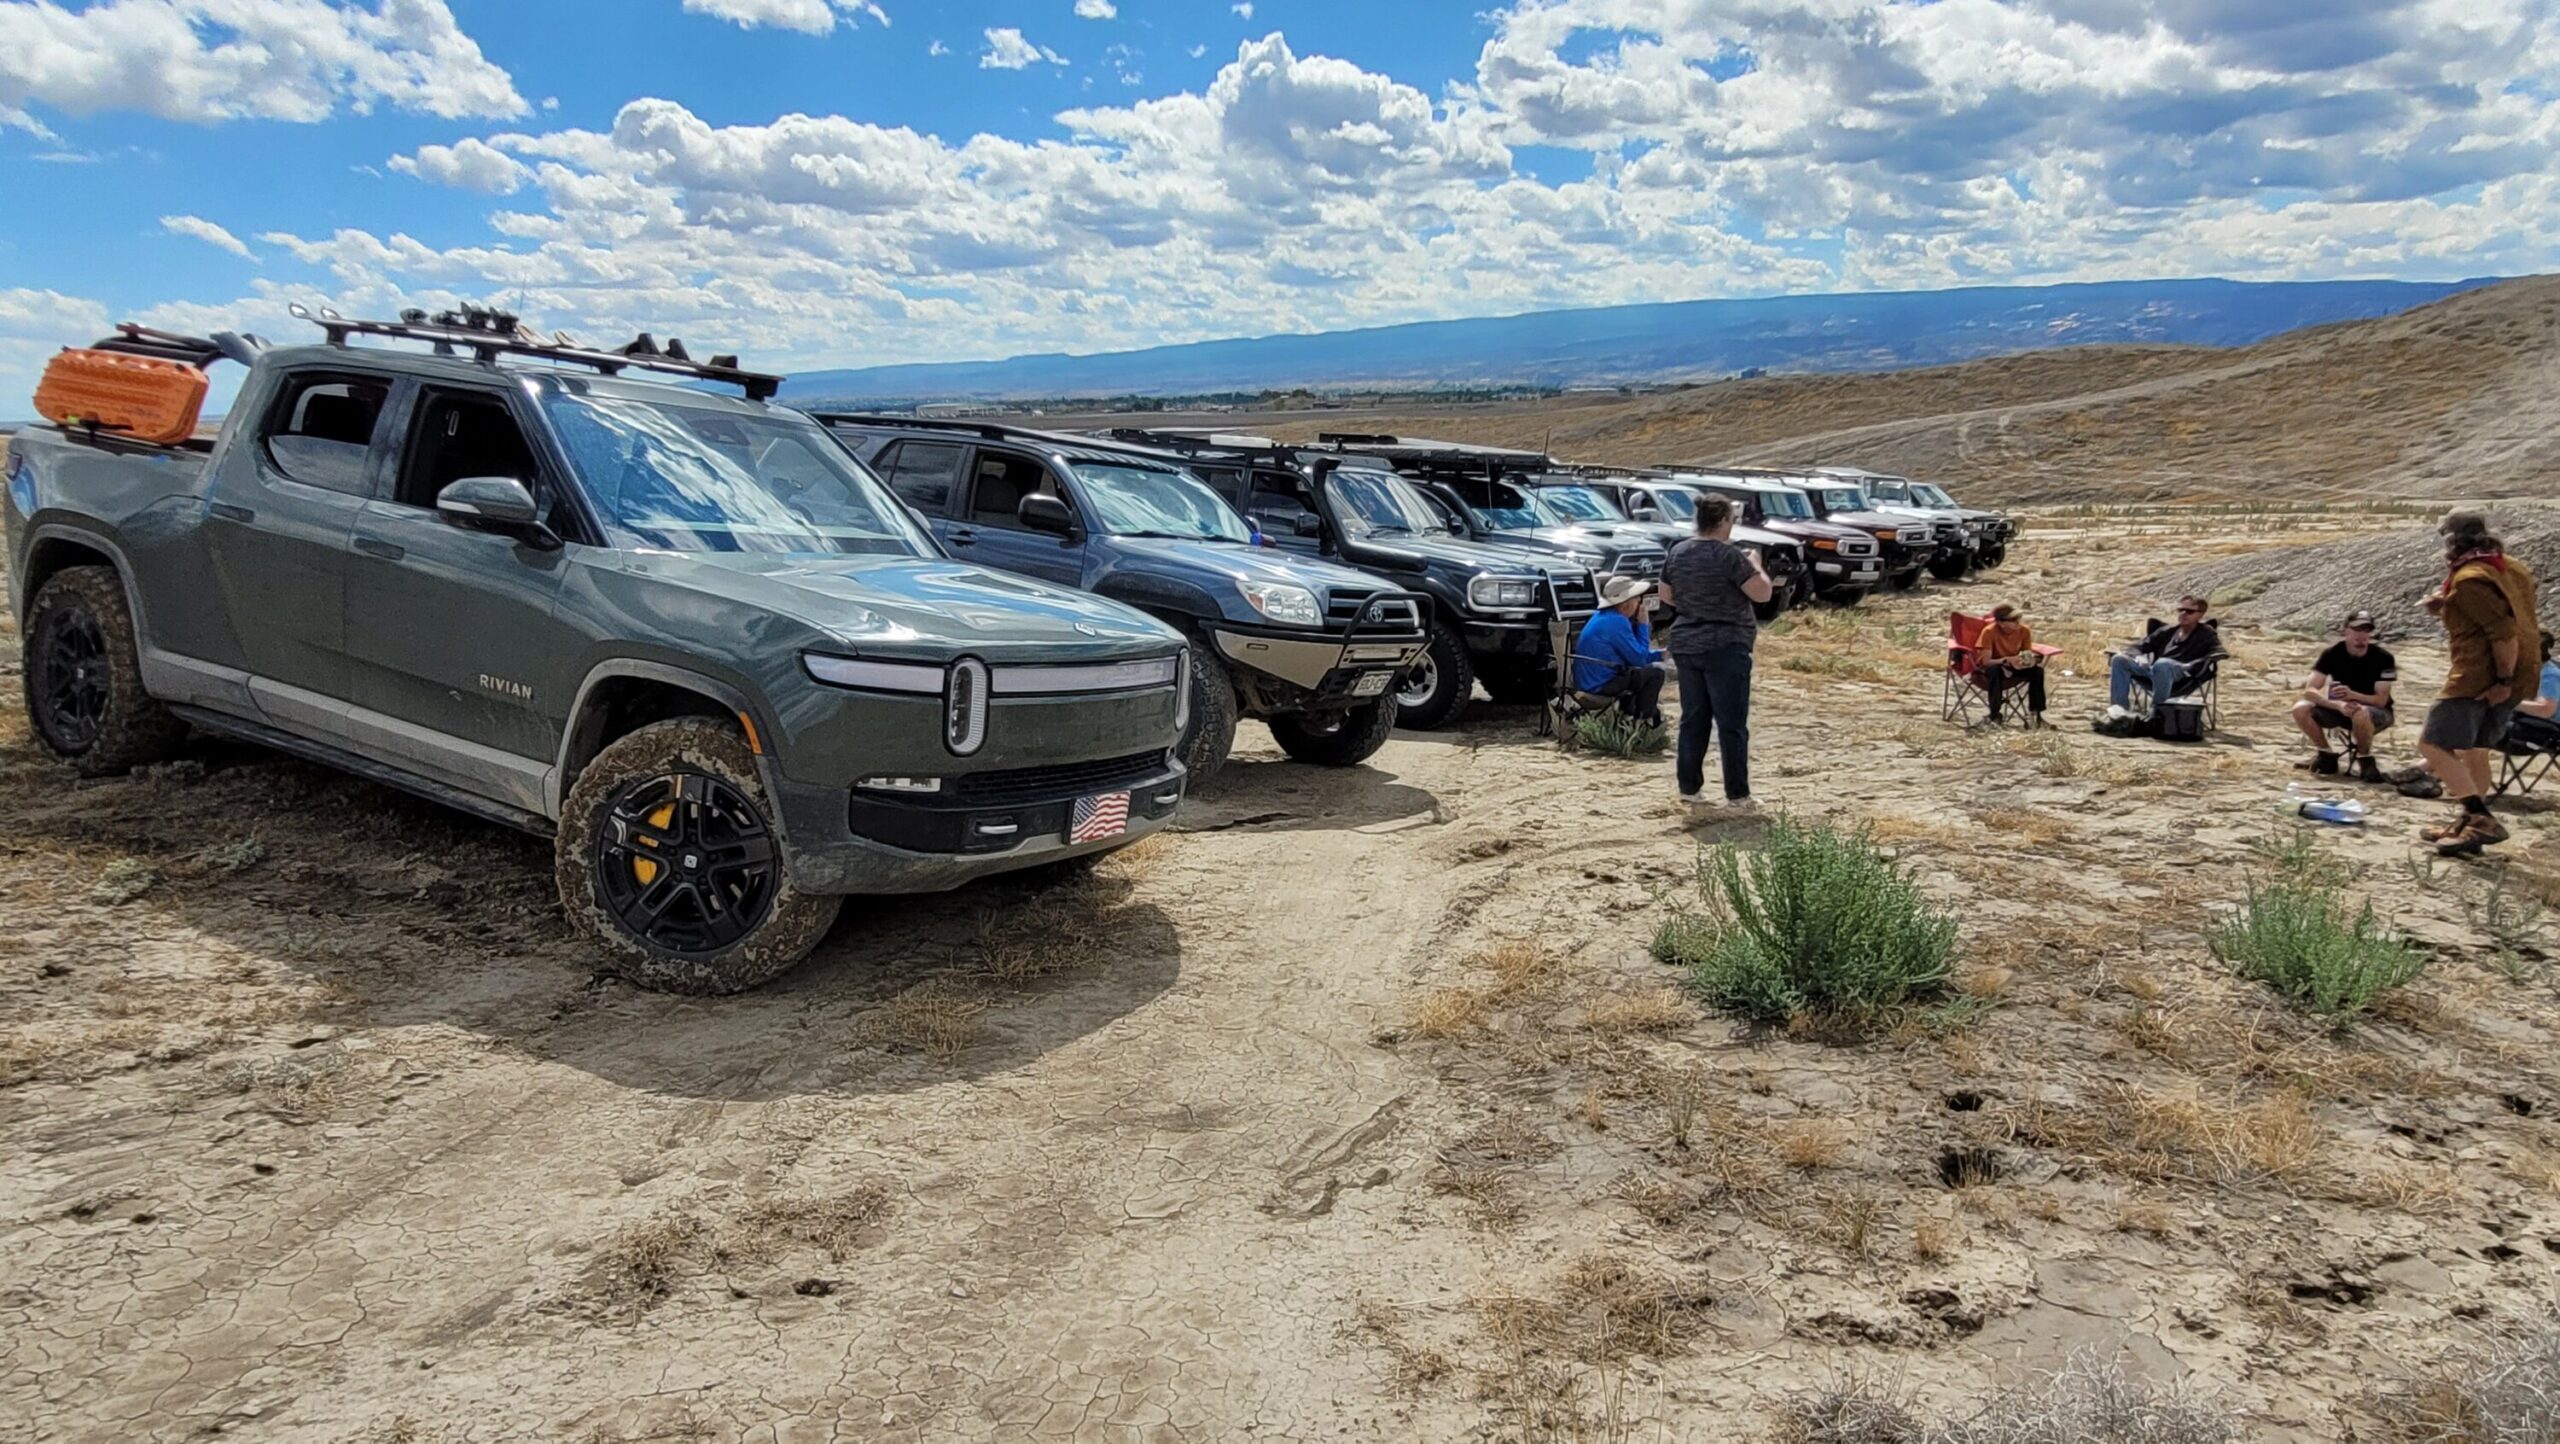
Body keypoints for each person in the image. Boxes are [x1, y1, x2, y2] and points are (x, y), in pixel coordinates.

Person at [2418, 512, 2542, 854]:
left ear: (2453, 541)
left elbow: (2502, 634)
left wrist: (2502, 679)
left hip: (2480, 675)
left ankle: (2480, 817)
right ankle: (2469, 827)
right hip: (2522, 671)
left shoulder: (2470, 578)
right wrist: (2448, 606)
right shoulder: (2508, 566)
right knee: (2475, 749)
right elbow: (2504, 614)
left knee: (2432, 745)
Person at [1657, 493, 1774, 811]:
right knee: (1731, 723)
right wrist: (1756, 565)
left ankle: (1689, 788)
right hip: (1725, 644)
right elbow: (1762, 594)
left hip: (1687, 642)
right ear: (1722, 520)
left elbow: (1666, 594)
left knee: (1693, 718)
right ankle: (1737, 794)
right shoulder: (1729, 555)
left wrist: (1695, 604)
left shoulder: (1678, 551)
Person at [2289, 610, 2396, 781]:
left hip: (2375, 712)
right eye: (2357, 629)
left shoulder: (2384, 658)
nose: (2361, 635)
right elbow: (2310, 690)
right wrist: (2338, 705)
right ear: (2346, 630)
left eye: (2366, 630)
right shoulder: (2331, 654)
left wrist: (2353, 695)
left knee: (2361, 713)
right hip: (2339, 708)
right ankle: (2325, 754)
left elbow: (2381, 700)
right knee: (2300, 708)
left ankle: (2364, 759)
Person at [2104, 596, 2220, 719]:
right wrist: (2139, 657)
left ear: (2200, 615)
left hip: (2183, 676)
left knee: (2163, 663)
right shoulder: (2167, 631)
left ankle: (2156, 715)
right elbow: (2136, 647)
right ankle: (2119, 713)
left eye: (2189, 611)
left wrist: (2191, 665)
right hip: (2155, 671)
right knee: (2119, 659)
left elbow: (2217, 653)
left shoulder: (2206, 633)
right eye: (2181, 610)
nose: (2183, 614)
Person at [1572, 574, 1666, 723]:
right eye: (1637, 599)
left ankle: (1629, 714)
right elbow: (1639, 659)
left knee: (1637, 674)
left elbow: (1635, 654)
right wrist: (1643, 625)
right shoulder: (1617, 622)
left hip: (1589, 681)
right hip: (1600, 685)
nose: (1640, 603)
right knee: (1655, 674)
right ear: (1625, 604)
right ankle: (1642, 721)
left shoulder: (1602, 616)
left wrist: (1659, 655)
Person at [1973, 602, 2047, 727]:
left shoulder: (2024, 631)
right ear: (2001, 623)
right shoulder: (1989, 632)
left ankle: (2036, 713)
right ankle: (1994, 714)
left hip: (2014, 666)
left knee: (2037, 671)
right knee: (1994, 670)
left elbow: (2025, 653)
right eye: (2013, 620)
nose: (2017, 622)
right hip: (1994, 667)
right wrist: (2006, 660)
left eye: (2018, 618)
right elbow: (1986, 661)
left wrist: (2028, 661)